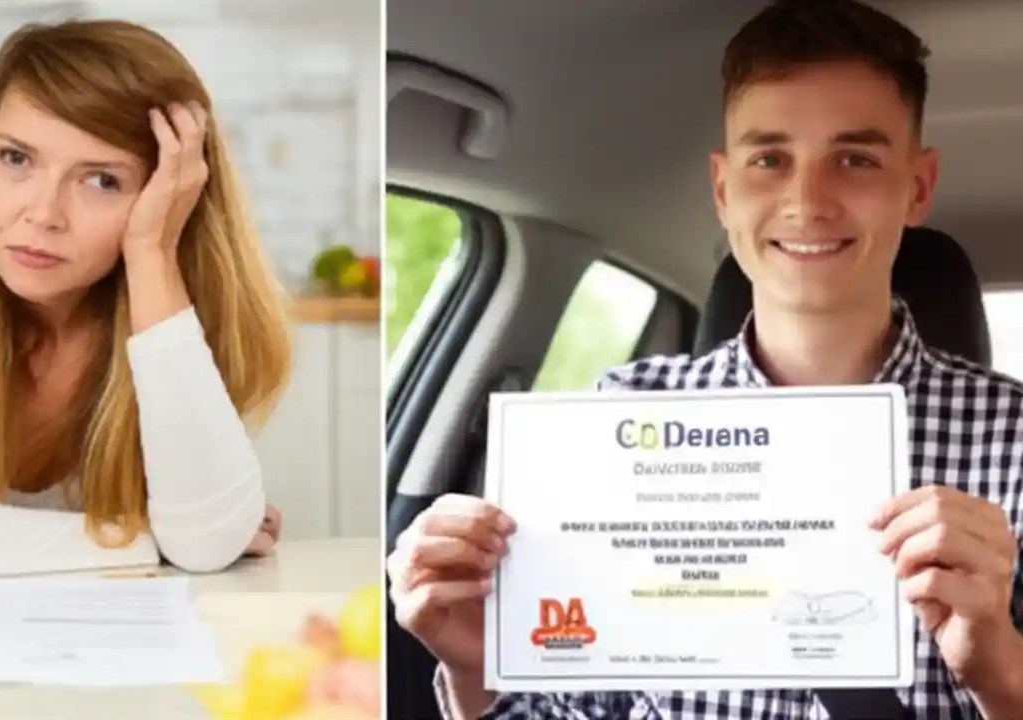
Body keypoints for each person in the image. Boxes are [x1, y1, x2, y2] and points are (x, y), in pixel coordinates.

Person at [386, 1, 1023, 718]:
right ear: (724, 190)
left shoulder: (1016, 440)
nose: (807, 202)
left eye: (855, 158)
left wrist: (1000, 671)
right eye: (769, 159)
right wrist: (480, 671)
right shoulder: (618, 419)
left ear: (917, 187)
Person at [0, 20, 292, 582]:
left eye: (102, 180)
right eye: (16, 158)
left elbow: (207, 542)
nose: (43, 214)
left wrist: (152, 255)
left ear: (169, 197)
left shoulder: (174, 314)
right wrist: (146, 539)